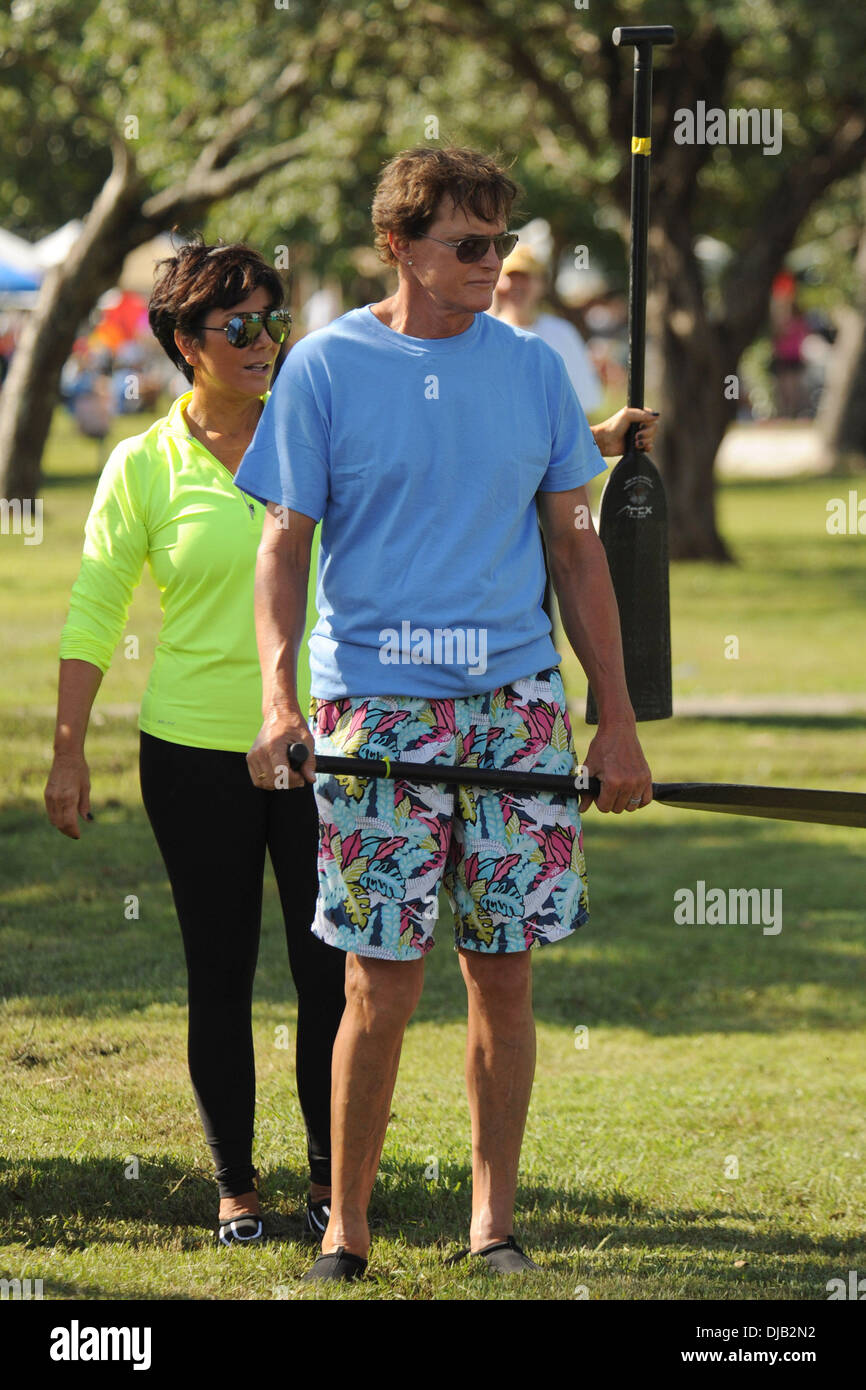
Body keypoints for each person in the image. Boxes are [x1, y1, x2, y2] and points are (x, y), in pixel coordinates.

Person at [235, 146, 658, 1280]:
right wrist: (278, 700)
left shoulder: (529, 372)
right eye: (467, 246)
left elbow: (575, 553)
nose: (491, 264)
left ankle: (491, 1226)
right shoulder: (324, 368)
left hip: (513, 704)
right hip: (375, 703)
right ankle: (346, 1225)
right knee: (378, 979)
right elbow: (284, 548)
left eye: (499, 245)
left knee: (502, 970)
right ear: (398, 245)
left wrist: (614, 716)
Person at [44, 240, 347, 1246]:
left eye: (272, 320)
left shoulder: (314, 435)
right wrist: (68, 749)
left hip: (315, 748)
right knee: (218, 969)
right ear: (187, 341)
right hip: (191, 752)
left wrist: (597, 440)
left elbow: (454, 463)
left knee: (329, 969)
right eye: (239, 325)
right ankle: (236, 1188)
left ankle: (326, 1183)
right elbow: (94, 611)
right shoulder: (141, 464)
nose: (263, 342)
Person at [492, 242, 604, 416]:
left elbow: (582, 405)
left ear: (541, 285)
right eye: (511, 277)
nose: (516, 286)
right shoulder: (483, 333)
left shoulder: (562, 333)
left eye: (525, 277)